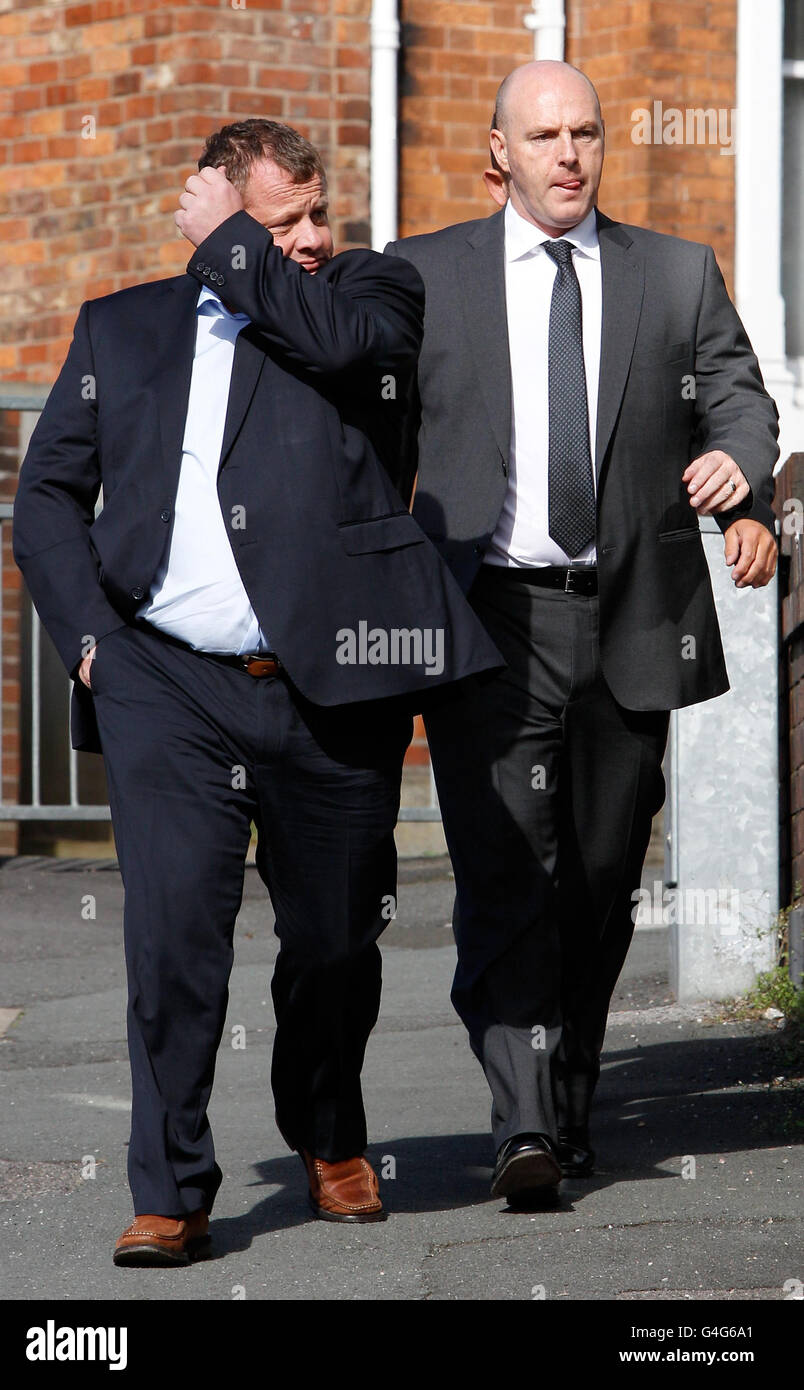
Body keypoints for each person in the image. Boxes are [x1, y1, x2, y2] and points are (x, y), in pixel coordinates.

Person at [13, 118, 501, 1264]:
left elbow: (343, 348)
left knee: (336, 940)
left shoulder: (372, 296)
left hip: (336, 682)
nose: (314, 237)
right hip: (166, 682)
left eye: (317, 213)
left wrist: (238, 244)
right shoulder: (123, 328)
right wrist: (92, 644)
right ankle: (171, 1187)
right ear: (223, 210)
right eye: (285, 220)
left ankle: (328, 1131)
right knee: (174, 938)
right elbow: (46, 496)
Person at [385, 61, 779, 1205]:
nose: (569, 154)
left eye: (587, 133)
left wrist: (741, 473)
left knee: (600, 883)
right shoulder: (426, 274)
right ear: (499, 151)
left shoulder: (675, 272)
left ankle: (567, 1093)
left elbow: (739, 397)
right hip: (492, 618)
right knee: (507, 869)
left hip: (631, 614)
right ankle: (524, 1122)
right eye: (545, 135)